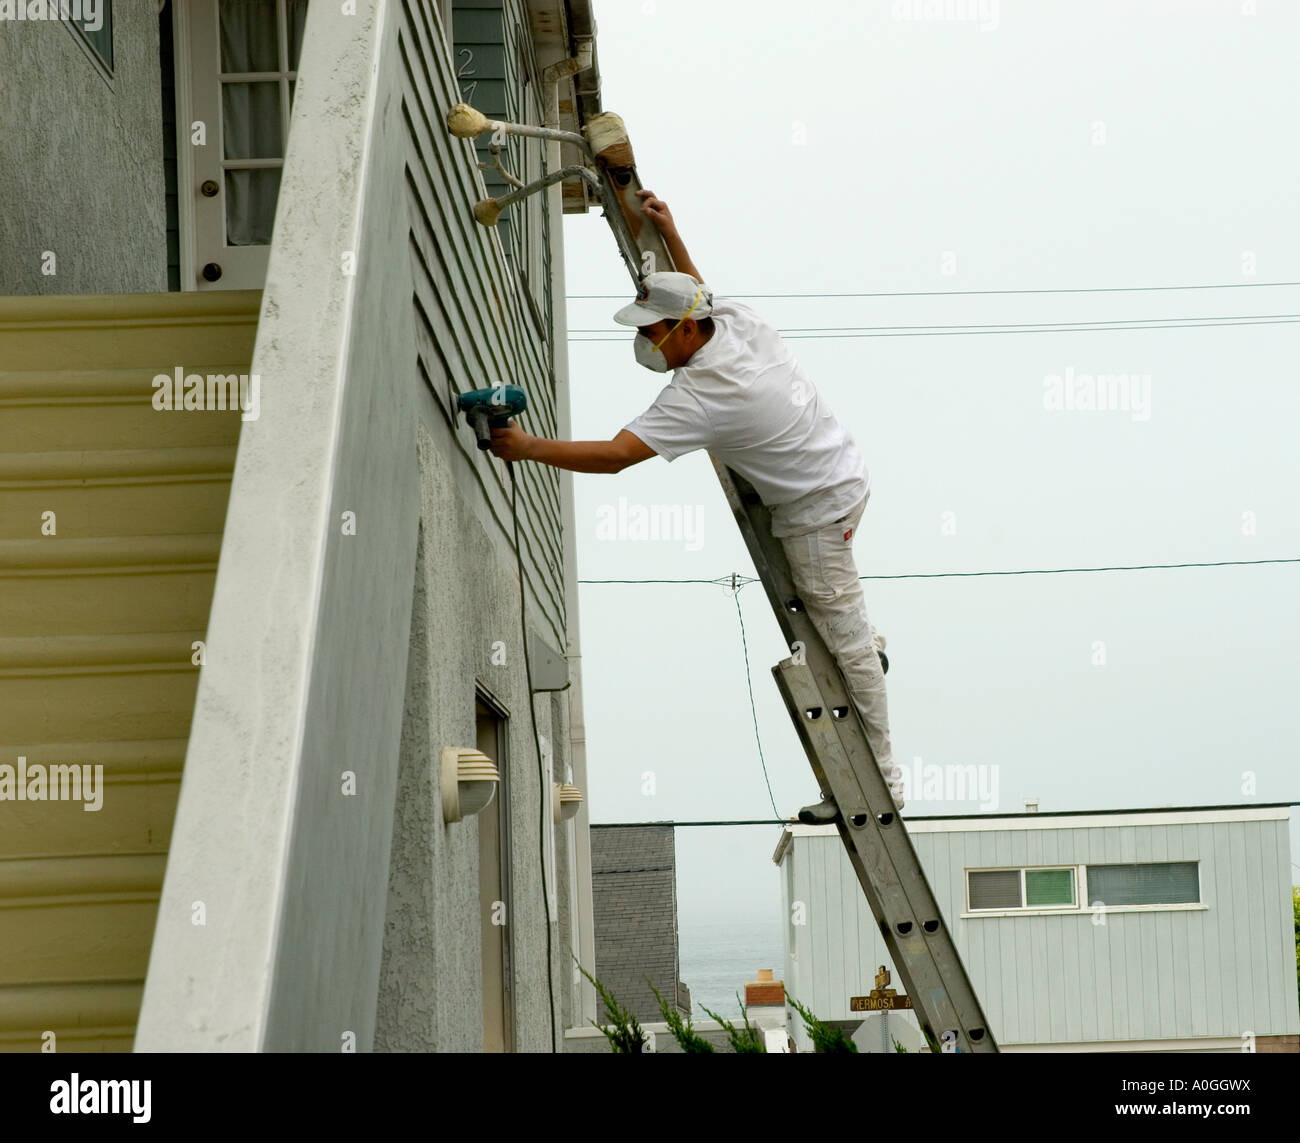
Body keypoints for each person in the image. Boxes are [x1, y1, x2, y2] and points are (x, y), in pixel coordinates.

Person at [488, 190, 904, 817]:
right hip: (841, 474)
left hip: (816, 513)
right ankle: (861, 636)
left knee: (841, 645)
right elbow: (698, 289)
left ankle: (885, 786)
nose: (646, 343)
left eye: (653, 332)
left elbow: (616, 455)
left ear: (684, 329)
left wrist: (526, 447)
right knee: (838, 614)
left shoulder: (702, 396)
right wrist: (669, 231)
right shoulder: (737, 321)